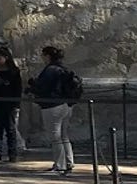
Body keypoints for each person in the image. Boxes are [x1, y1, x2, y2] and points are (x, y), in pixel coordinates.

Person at [34, 45, 77, 175]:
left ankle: (60, 165)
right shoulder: (62, 68)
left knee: (55, 137)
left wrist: (33, 85)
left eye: (43, 55)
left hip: (52, 106)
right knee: (63, 136)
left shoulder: (50, 70)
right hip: (66, 105)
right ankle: (68, 162)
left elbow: (43, 87)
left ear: (47, 56)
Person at [0, 46, 25, 163]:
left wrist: (16, 105)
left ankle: (12, 153)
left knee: (10, 129)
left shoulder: (14, 72)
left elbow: (18, 89)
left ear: (6, 58)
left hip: (10, 104)